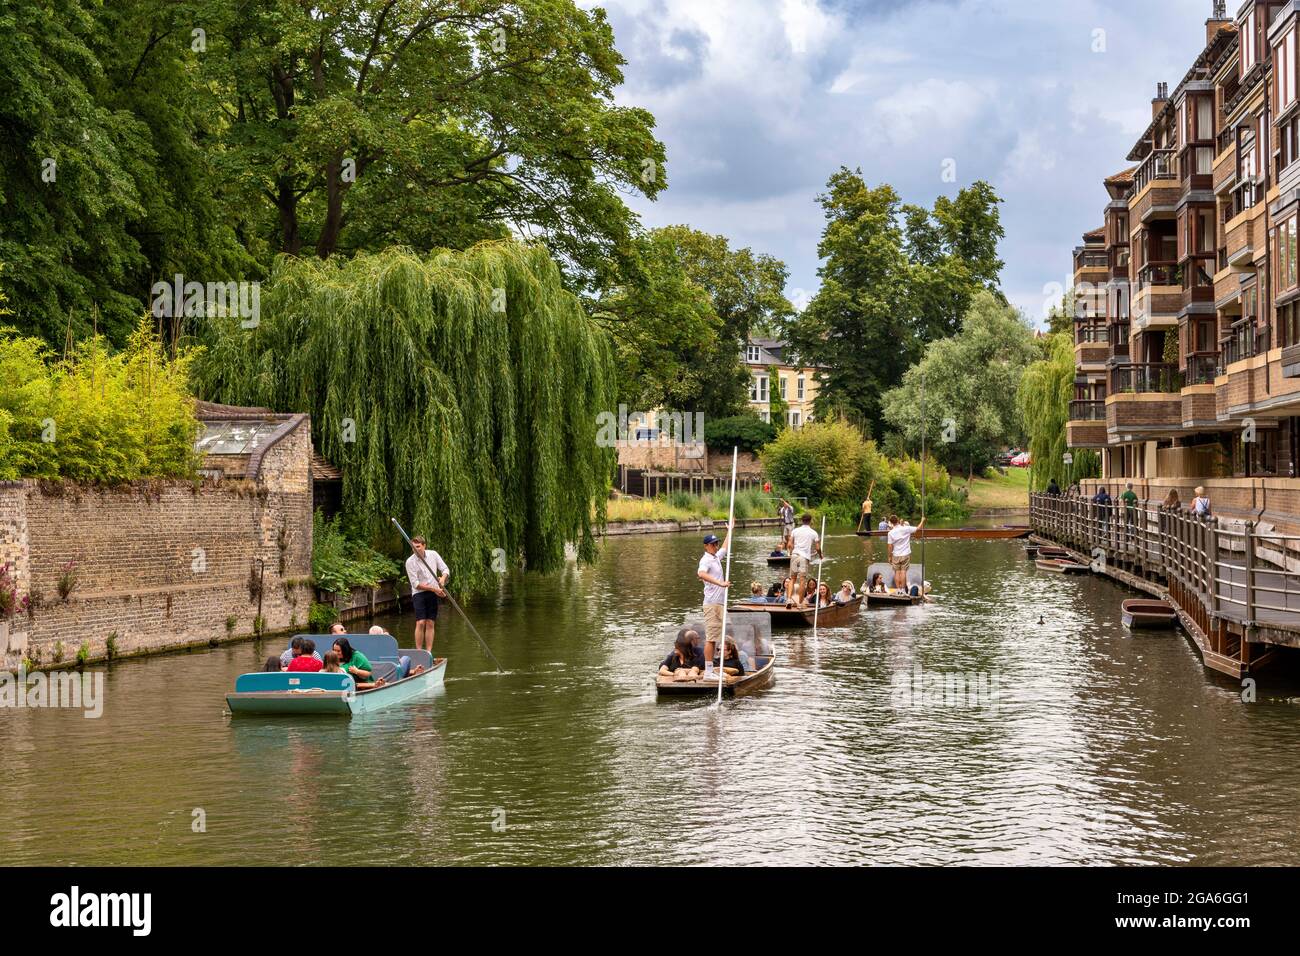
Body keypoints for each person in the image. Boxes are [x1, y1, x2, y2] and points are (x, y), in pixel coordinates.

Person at [406, 535, 451, 654]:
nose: (415, 550)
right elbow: (415, 584)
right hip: (419, 593)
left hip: (433, 591)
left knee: (430, 622)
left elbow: (445, 569)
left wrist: (442, 579)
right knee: (421, 622)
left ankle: (428, 652)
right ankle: (419, 652)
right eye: (413, 548)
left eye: (418, 547)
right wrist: (434, 589)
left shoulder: (433, 555)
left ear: (424, 546)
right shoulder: (410, 562)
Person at [697, 530, 732, 663]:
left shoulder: (715, 557)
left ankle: (720, 662)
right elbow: (701, 573)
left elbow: (724, 547)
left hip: (720, 603)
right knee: (711, 638)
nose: (715, 546)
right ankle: (709, 670)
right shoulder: (706, 560)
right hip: (711, 603)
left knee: (722, 634)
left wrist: (730, 530)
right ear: (706, 546)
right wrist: (720, 583)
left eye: (716, 543)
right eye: (712, 544)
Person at [886, 513, 925, 593]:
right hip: (905, 553)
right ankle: (903, 590)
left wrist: (889, 556)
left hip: (896, 554)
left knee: (897, 572)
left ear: (891, 523)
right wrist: (922, 521)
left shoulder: (890, 533)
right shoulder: (906, 528)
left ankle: (898, 590)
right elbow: (918, 528)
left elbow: (890, 546)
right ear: (898, 520)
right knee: (903, 571)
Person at [789, 513, 822, 600]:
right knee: (802, 581)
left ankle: (788, 599)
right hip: (804, 557)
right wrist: (820, 555)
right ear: (810, 521)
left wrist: (791, 552)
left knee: (792, 579)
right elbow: (818, 548)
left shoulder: (795, 531)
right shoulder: (813, 533)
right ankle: (800, 602)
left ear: (801, 521)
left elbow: (789, 544)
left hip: (794, 555)